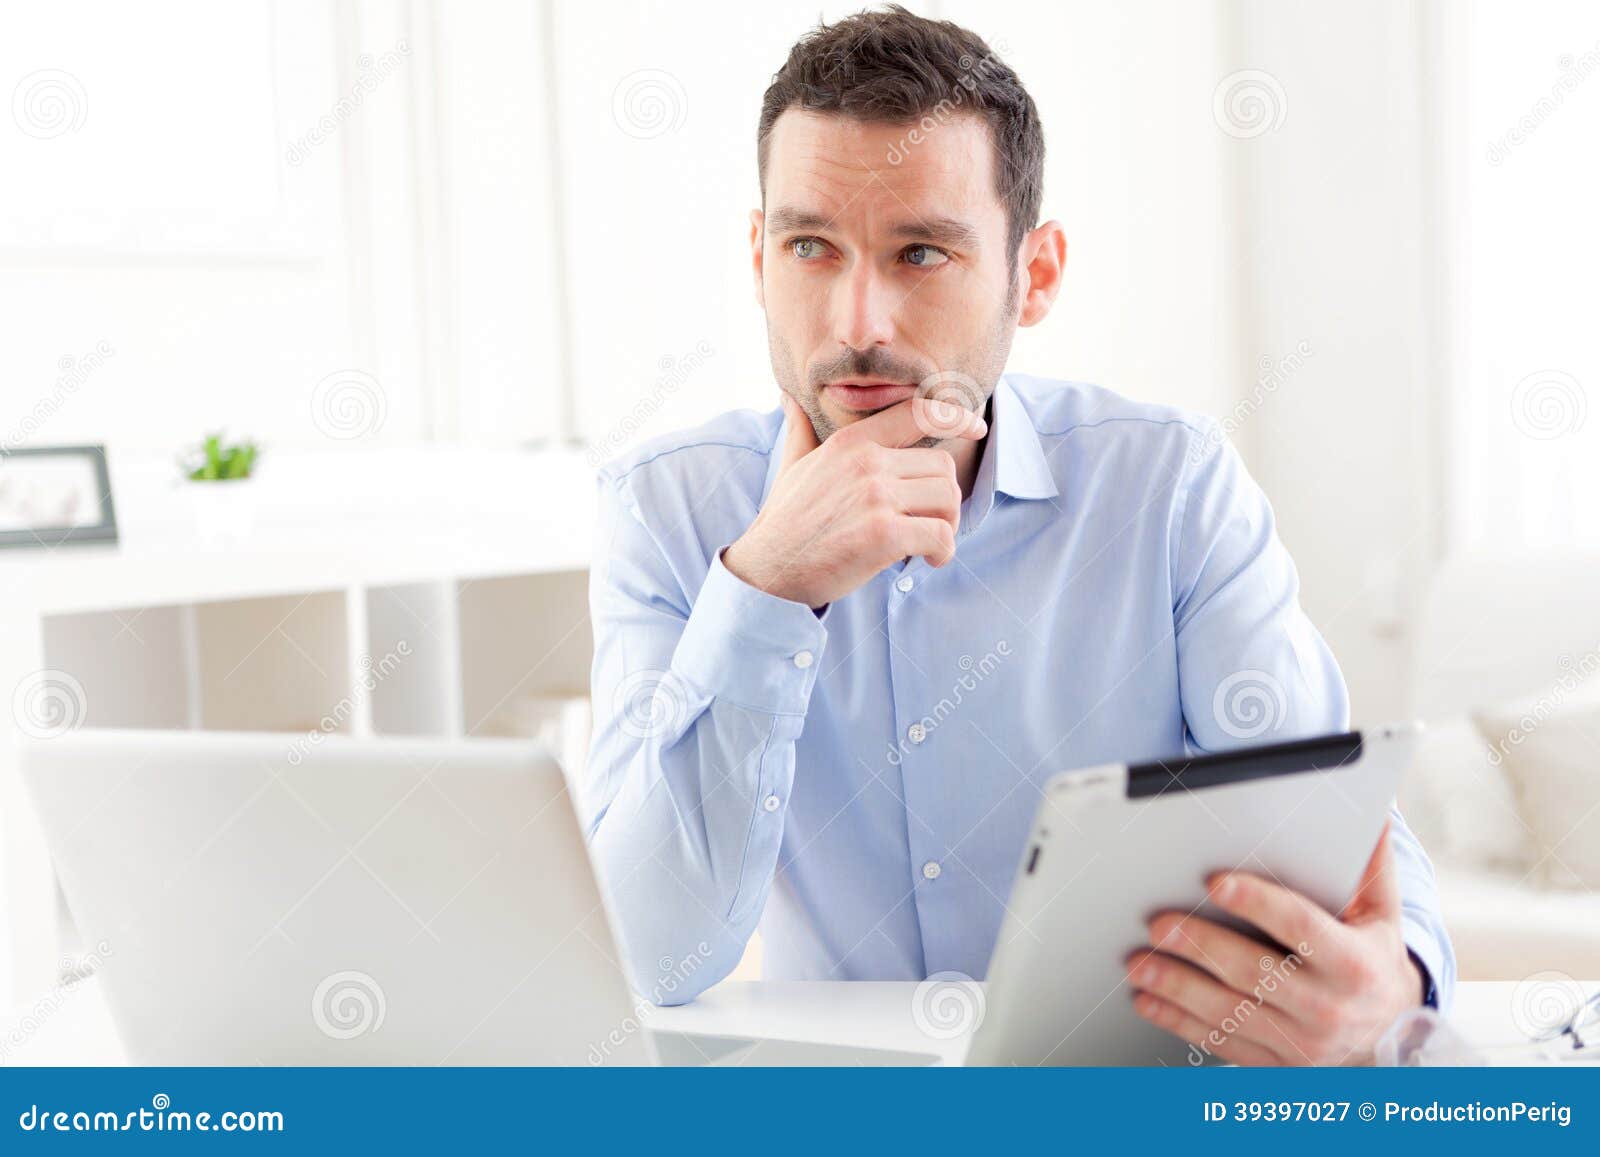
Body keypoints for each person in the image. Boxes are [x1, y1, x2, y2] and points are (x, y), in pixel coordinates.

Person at [583, 5, 1453, 1065]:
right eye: (809, 245)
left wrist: (1392, 980)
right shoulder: (668, 512)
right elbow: (650, 951)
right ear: (756, 254)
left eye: (920, 252)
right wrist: (764, 587)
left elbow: (1325, 820)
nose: (859, 320)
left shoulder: (1166, 489)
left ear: (1032, 275)